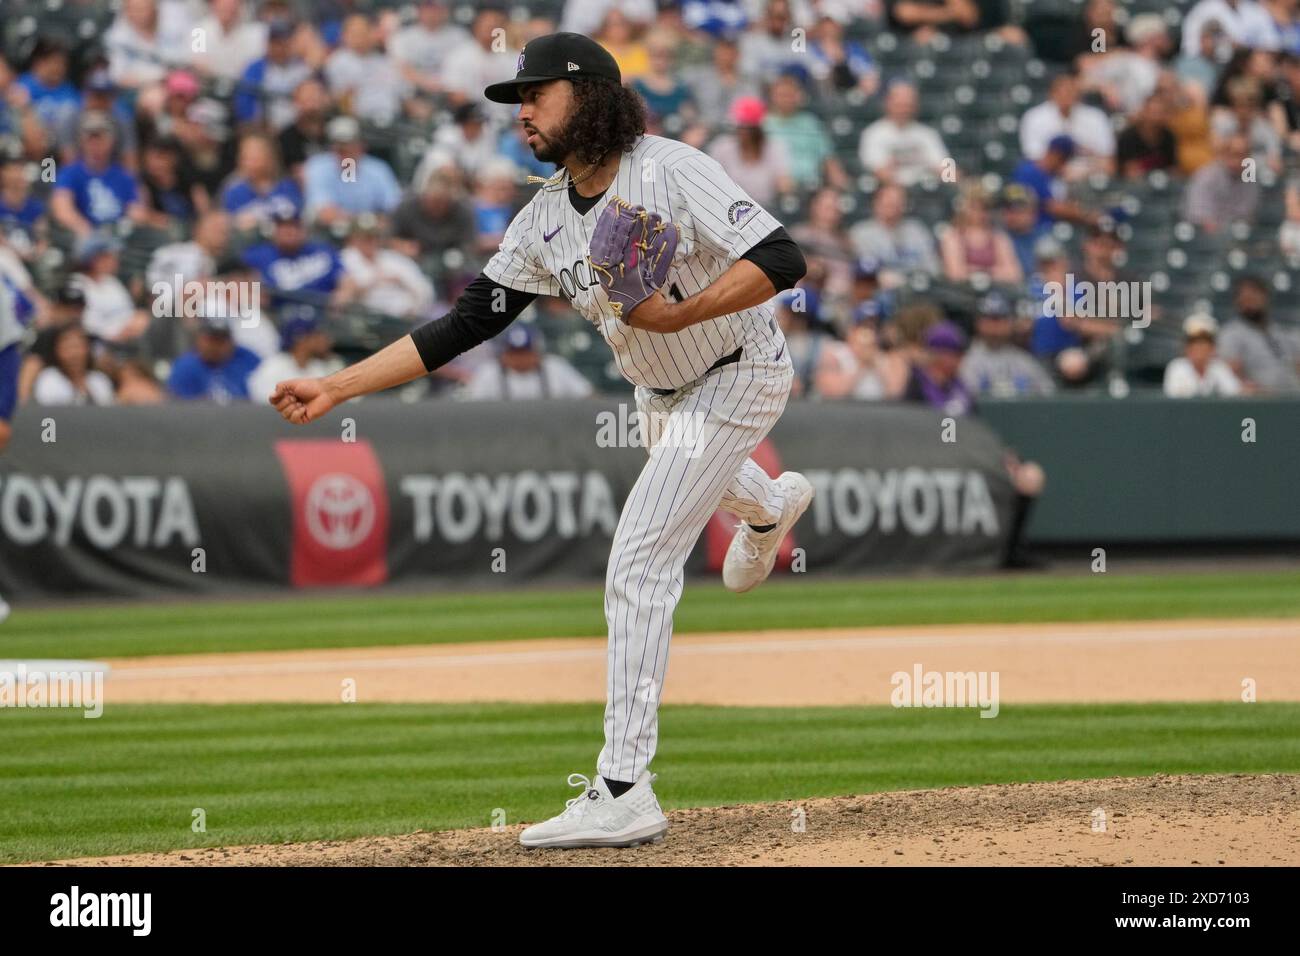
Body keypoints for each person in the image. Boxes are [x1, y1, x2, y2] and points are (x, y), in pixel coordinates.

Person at [269, 32, 811, 849]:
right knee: (687, 476)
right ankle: (768, 510)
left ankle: (626, 788)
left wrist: (678, 312)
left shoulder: (669, 167)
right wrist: (336, 385)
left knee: (639, 557)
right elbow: (463, 325)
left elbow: (782, 256)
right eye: (517, 100)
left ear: (590, 96)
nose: (521, 112)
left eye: (535, 95)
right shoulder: (543, 220)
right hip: (660, 391)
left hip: (741, 367)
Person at [903, 320, 1046, 567]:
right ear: (938, 354)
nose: (959, 360)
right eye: (955, 353)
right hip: (929, 459)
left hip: (967, 458)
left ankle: (1010, 551)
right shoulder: (916, 384)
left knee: (1030, 476)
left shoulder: (961, 388)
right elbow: (909, 431)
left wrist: (1000, 455)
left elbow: (976, 430)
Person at [50, 113, 142, 237]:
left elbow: (136, 211)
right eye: (91, 139)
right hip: (86, 235)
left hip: (120, 235)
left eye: (101, 139)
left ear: (111, 141)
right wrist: (86, 231)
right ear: (82, 142)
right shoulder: (70, 173)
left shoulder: (123, 175)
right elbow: (62, 209)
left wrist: (128, 225)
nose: (96, 145)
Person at [302, 116, 402, 227]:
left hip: (371, 234)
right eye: (339, 147)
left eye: (349, 145)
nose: (345, 151)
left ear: (361, 146)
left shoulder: (378, 169)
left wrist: (366, 223)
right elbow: (325, 214)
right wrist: (366, 221)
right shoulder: (317, 166)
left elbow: (395, 209)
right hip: (330, 233)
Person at [1018, 71, 1115, 178]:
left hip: (1088, 173)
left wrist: (1084, 170)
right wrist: (1063, 169)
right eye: (1062, 92)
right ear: (1052, 94)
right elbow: (1035, 158)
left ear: (1079, 95)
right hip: (1049, 175)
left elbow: (1108, 158)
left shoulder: (1095, 117)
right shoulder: (1034, 117)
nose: (1067, 96)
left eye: (1071, 92)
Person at [461, 324, 594, 400]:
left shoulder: (555, 367)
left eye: (525, 353)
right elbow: (472, 409)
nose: (520, 358)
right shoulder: (488, 372)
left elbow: (588, 396)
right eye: (514, 353)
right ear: (504, 354)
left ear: (537, 352)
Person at [960, 292, 1056, 397]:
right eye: (991, 319)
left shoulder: (1024, 361)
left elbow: (1049, 395)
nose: (995, 326)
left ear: (1011, 322)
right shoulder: (966, 362)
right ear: (978, 323)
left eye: (1001, 319)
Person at [858, 81, 949, 188]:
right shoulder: (873, 133)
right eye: (899, 105)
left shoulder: (928, 134)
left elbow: (946, 168)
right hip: (890, 189)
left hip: (926, 190)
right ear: (888, 103)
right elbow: (879, 172)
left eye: (908, 105)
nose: (904, 109)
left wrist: (954, 181)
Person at [707, 96, 795, 208]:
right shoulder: (722, 146)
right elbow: (711, 180)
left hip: (766, 209)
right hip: (728, 206)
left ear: (757, 129)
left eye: (746, 128)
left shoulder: (774, 147)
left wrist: (786, 190)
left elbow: (784, 182)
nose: (742, 132)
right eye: (739, 127)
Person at [1217, 275, 1300, 391]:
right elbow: (1230, 375)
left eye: (1253, 297)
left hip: (1292, 398)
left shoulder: (1280, 331)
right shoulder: (1231, 334)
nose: (1249, 304)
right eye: (1245, 299)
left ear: (1265, 297)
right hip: (1258, 402)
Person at [849, 183, 940, 281]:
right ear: (876, 203)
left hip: (918, 286)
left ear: (905, 205)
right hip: (882, 290)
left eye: (898, 201)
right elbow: (869, 272)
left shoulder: (917, 229)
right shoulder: (861, 232)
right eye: (888, 201)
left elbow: (932, 267)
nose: (893, 205)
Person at [939, 183, 1023, 284]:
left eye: (984, 208)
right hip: (961, 294)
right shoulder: (953, 236)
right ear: (964, 207)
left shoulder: (998, 237)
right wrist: (993, 272)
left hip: (995, 294)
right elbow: (955, 273)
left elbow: (1013, 274)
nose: (979, 213)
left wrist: (977, 272)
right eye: (974, 207)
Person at [248, 316, 342, 403]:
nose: (322, 339)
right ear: (300, 339)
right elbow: (263, 403)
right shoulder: (273, 367)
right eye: (315, 335)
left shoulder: (319, 367)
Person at [168, 314, 262, 401]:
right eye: (211, 340)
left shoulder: (246, 358)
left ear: (231, 342)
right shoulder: (185, 368)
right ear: (199, 340)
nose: (216, 346)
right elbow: (182, 407)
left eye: (221, 340)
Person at [1183, 133, 1260, 230]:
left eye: (1243, 156)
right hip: (1205, 236)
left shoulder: (1250, 178)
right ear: (1224, 155)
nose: (1239, 161)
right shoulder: (1206, 176)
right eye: (1234, 155)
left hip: (1235, 234)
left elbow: (1247, 215)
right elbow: (1199, 215)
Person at [31, 325, 115, 406]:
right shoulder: (49, 378)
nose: (74, 354)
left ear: (88, 349)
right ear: (56, 351)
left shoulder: (100, 380)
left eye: (78, 346)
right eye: (68, 347)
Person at [1163, 313, 1243, 396]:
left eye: (1205, 344)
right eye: (1194, 344)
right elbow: (1175, 399)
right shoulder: (1177, 367)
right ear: (1187, 348)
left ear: (1213, 349)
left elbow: (1235, 392)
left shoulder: (1219, 367)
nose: (1200, 349)